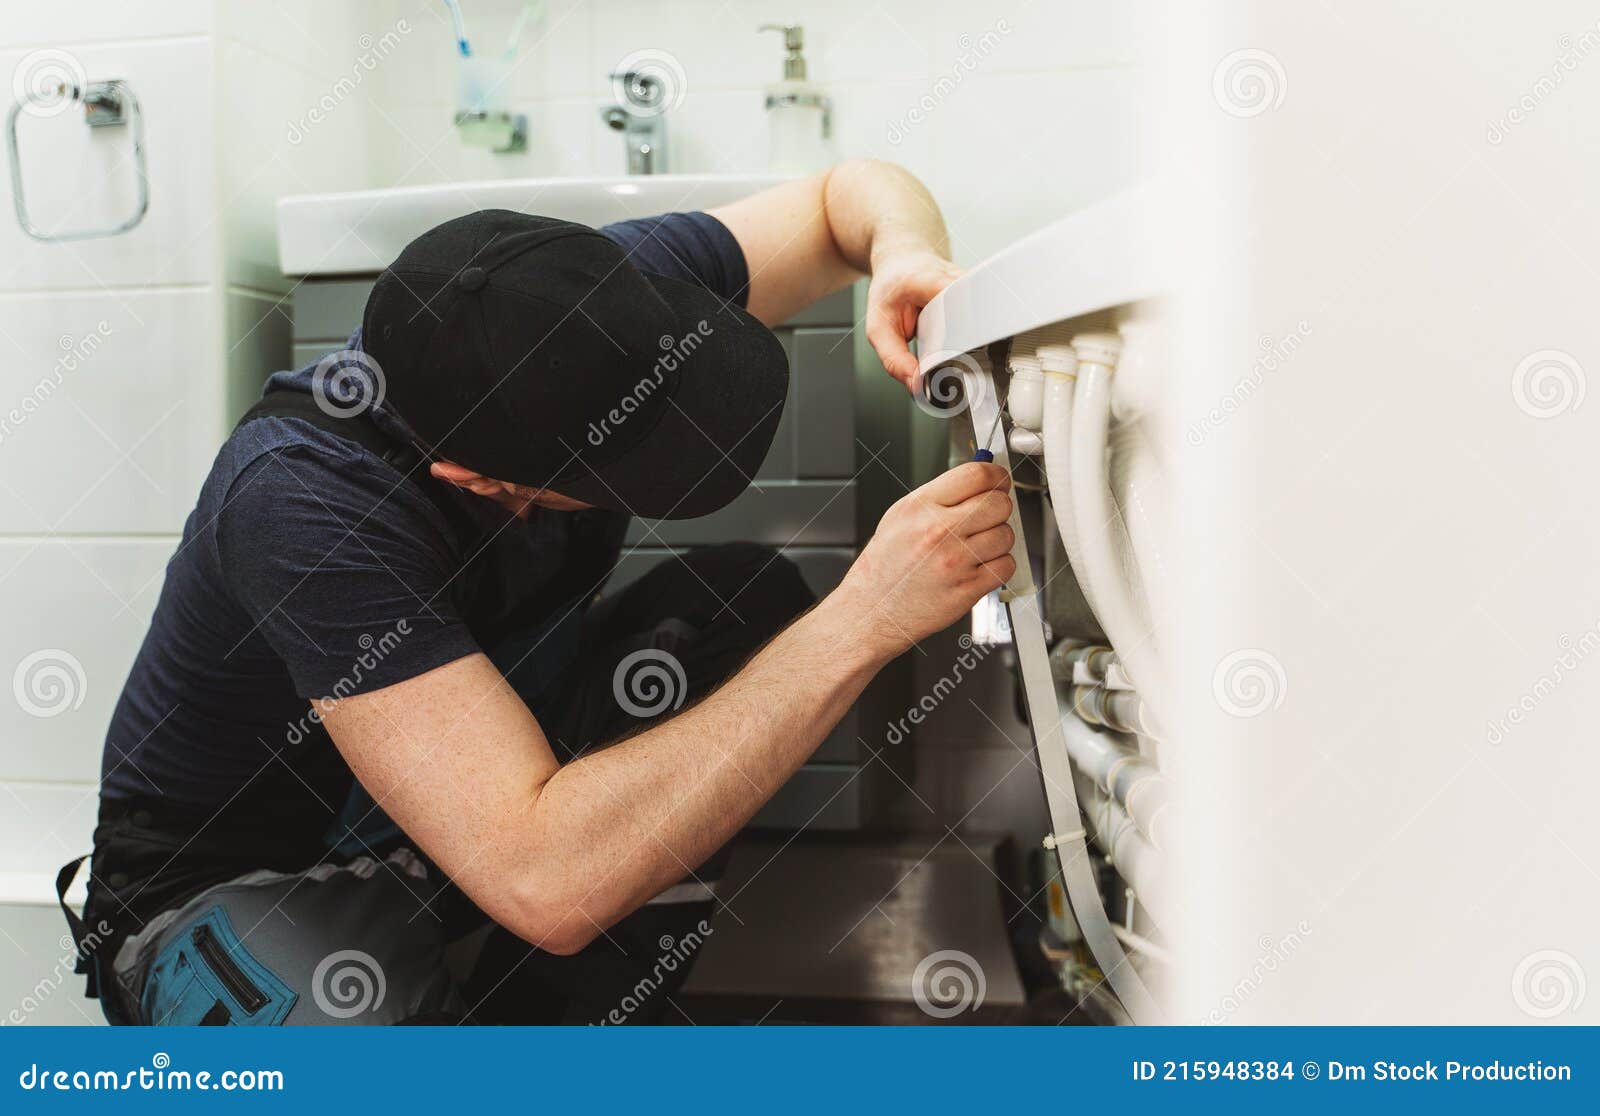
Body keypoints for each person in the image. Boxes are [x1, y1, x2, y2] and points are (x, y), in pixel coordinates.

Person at [67, 161, 1016, 1024]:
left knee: (740, 605)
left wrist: (903, 253)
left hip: (466, 805)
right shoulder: (304, 502)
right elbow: (547, 882)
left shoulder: (587, 307)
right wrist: (862, 621)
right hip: (248, 874)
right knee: (353, 1012)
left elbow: (842, 195)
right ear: (476, 480)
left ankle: (552, 1043)